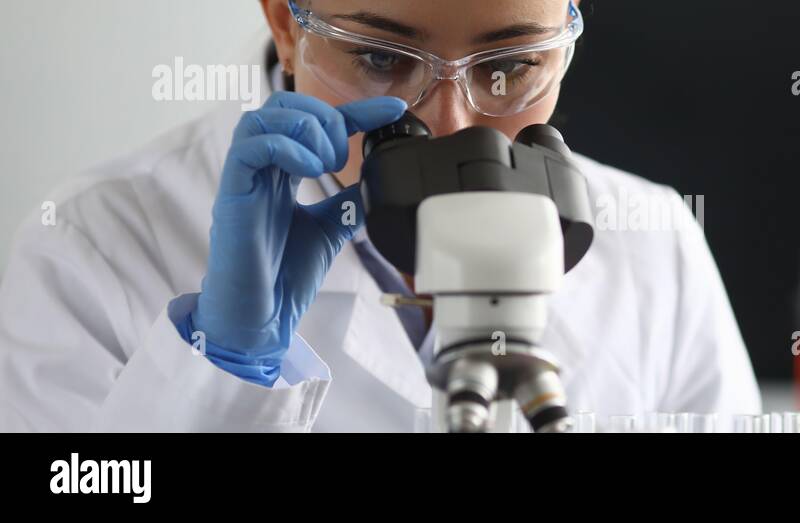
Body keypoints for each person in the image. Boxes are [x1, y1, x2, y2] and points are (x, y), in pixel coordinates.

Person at [0, 0, 760, 432]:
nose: (453, 125)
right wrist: (220, 379)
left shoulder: (657, 248)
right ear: (286, 21)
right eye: (383, 58)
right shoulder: (91, 247)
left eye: (509, 67)